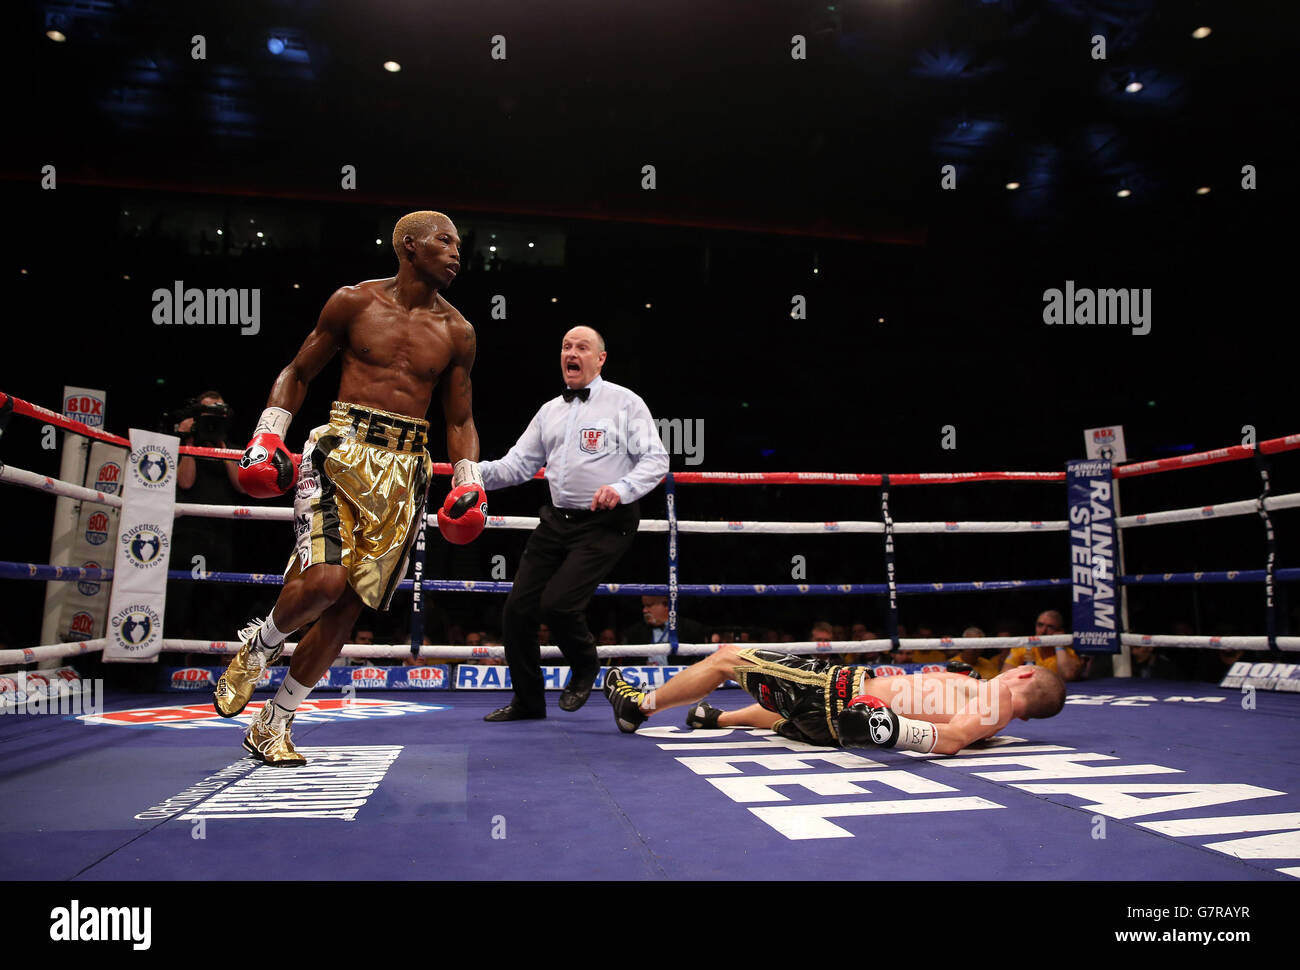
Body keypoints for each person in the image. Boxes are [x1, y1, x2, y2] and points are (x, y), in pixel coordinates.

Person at [212, 210, 485, 766]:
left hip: (406, 470)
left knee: (348, 608)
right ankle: (259, 646)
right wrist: (268, 437)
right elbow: (299, 371)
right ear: (409, 246)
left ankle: (275, 722)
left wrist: (469, 482)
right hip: (340, 452)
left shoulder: (458, 331)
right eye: (446, 242)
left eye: (459, 245)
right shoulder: (353, 303)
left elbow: (459, 420)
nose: (459, 253)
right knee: (323, 583)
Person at [478, 326, 670, 721]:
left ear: (600, 359)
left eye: (582, 347)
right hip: (556, 521)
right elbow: (517, 466)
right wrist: (470, 473)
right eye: (567, 346)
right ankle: (529, 702)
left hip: (606, 522)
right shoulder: (550, 410)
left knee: (560, 604)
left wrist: (621, 487)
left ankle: (585, 664)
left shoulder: (625, 402)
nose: (572, 352)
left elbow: (656, 460)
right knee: (517, 611)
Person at [603, 645, 1066, 756]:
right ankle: (718, 717)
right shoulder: (984, 691)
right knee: (780, 703)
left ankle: (639, 706)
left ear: (1025, 673)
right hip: (832, 719)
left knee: (727, 657)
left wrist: (890, 728)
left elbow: (956, 739)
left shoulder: (1000, 695)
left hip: (838, 696)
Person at [621, 595, 706, 664]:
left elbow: (699, 659)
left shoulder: (691, 628)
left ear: (666, 605)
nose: (645, 610)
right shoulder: (634, 632)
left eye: (649, 605)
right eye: (644, 606)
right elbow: (628, 662)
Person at [1001, 610, 1081, 681]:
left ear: (1059, 631)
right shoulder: (1023, 648)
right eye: (1040, 625)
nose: (1043, 631)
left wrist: (1059, 644)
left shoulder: (1068, 654)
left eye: (1050, 627)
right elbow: (1004, 675)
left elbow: (1068, 676)